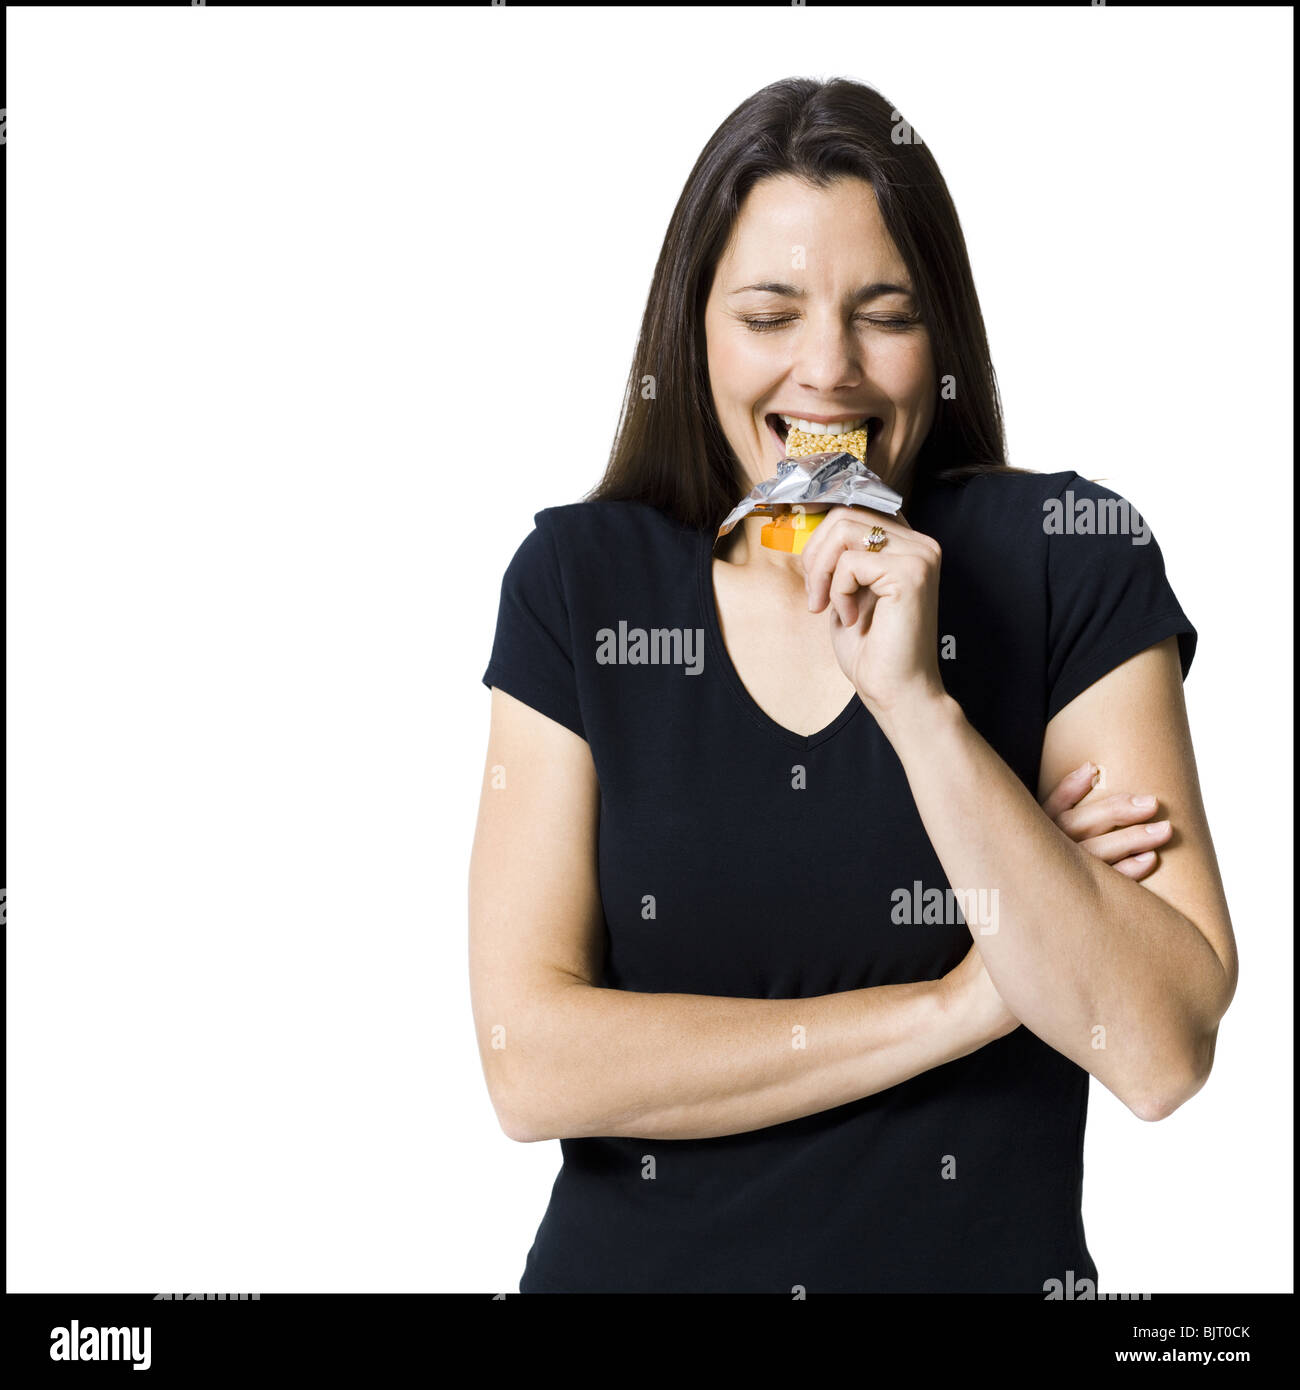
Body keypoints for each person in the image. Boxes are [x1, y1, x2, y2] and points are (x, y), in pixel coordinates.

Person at [468, 77, 1237, 1294]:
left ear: (940, 339)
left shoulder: (1070, 556)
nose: (827, 372)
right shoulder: (578, 584)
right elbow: (529, 1063)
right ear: (694, 334)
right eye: (768, 314)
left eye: (882, 314)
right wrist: (964, 1002)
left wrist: (921, 709)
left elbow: (1154, 1046)